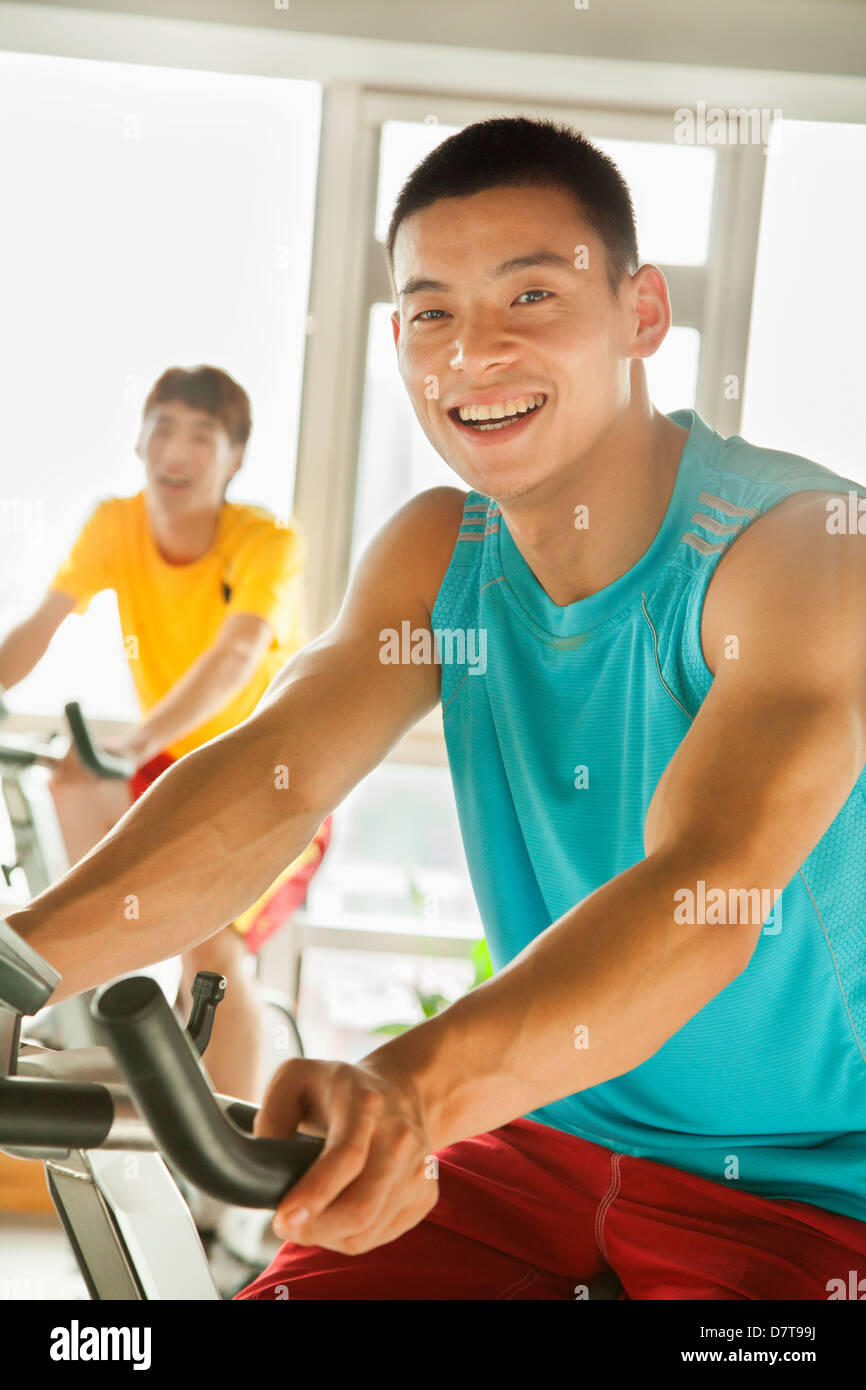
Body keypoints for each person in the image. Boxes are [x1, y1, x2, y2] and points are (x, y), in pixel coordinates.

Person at [7, 116, 866, 1301]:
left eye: (529, 298)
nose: (472, 355)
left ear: (642, 314)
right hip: (539, 1136)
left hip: (815, 1186)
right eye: (431, 313)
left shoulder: (796, 551)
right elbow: (277, 778)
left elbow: (702, 892)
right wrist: (15, 967)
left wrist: (416, 1086)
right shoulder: (436, 553)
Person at [0, 365, 331, 1103]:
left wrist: (136, 741)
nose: (177, 453)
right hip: (169, 764)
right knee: (72, 783)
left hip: (271, 779)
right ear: (141, 443)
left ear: (235, 456)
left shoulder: (267, 541)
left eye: (202, 436)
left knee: (211, 955)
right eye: (164, 430)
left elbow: (236, 656)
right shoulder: (116, 523)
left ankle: (227, 1205)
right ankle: (98, 981)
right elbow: (41, 627)